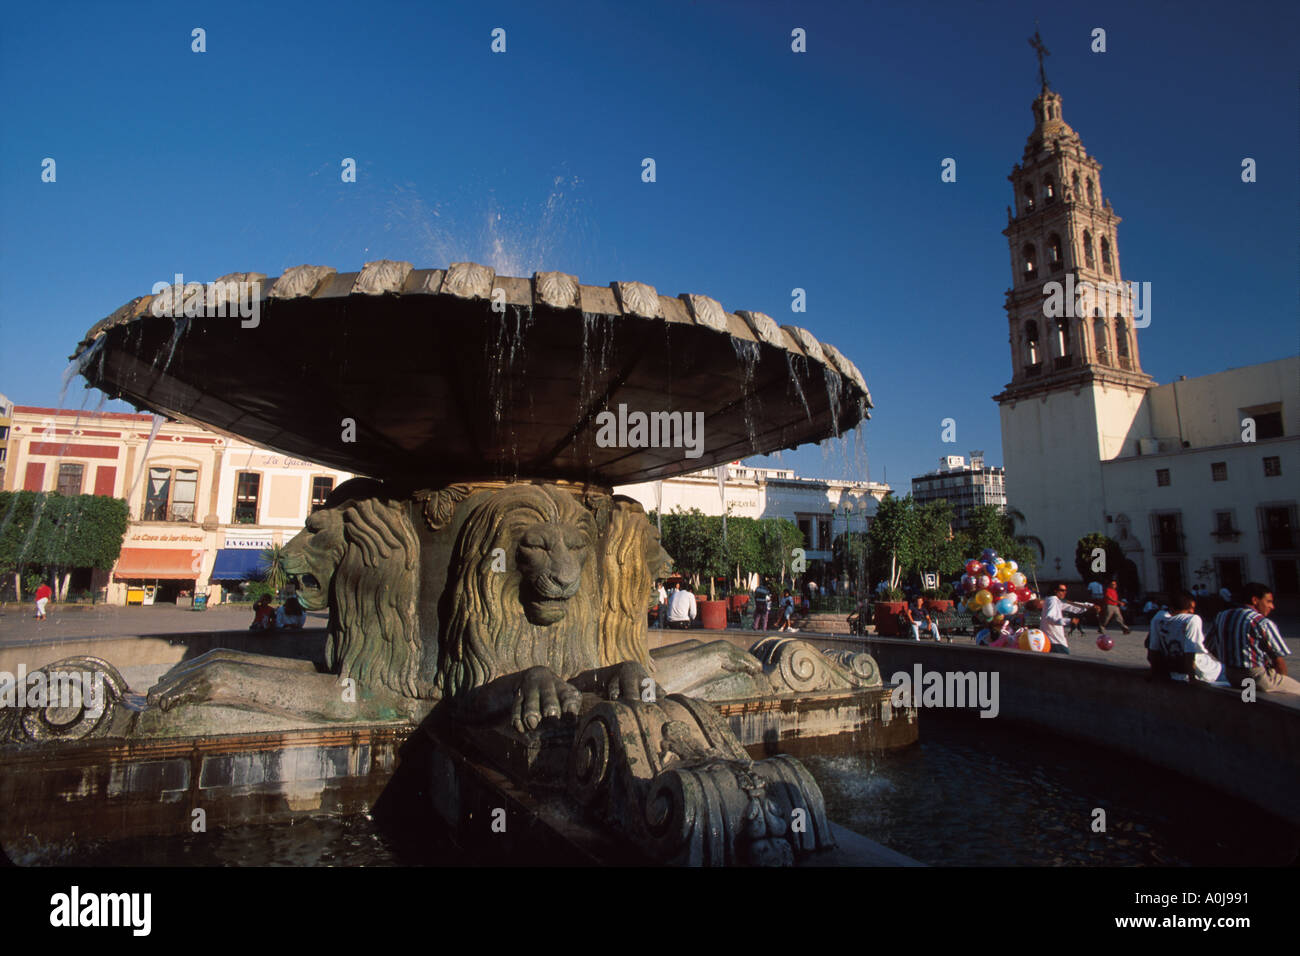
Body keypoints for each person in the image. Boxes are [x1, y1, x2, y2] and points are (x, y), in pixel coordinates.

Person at [1207, 582, 1300, 694]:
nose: (1272, 606)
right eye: (1269, 602)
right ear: (1255, 600)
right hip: (1255, 677)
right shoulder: (1260, 621)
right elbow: (1278, 659)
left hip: (1231, 675)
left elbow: (1210, 645)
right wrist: (1282, 680)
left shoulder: (1221, 616)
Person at [1149, 591, 1225, 684]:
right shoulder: (1192, 619)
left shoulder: (1158, 618)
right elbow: (1190, 650)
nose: (1193, 611)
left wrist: (1153, 672)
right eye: (1192, 608)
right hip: (1206, 672)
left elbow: (1153, 649)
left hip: (1175, 672)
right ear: (1190, 607)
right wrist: (1192, 678)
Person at [1041, 583, 1095, 655]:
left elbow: (1071, 606)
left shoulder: (1055, 601)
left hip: (1050, 641)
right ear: (1055, 591)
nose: (1065, 592)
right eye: (1062, 590)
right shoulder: (1053, 600)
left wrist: (1091, 606)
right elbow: (1049, 617)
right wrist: (1069, 621)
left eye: (1065, 590)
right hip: (1055, 641)